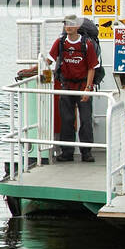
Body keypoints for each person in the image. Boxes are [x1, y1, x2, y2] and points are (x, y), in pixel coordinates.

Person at [49, 14, 98, 162]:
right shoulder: (60, 42)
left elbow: (92, 68)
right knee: (67, 119)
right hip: (66, 86)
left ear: (77, 26)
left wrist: (88, 89)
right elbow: (49, 60)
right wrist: (34, 69)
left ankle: (86, 152)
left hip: (83, 86)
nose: (68, 27)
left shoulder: (86, 44)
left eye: (71, 24)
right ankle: (67, 152)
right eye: (66, 24)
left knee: (85, 120)